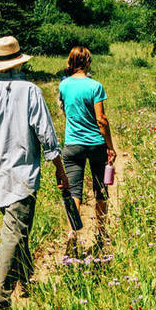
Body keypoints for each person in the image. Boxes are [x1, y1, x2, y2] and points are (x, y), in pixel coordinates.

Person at [0, 34, 70, 310]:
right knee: (14, 233)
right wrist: (60, 170)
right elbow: (46, 135)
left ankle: (26, 280)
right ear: (20, 62)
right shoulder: (31, 92)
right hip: (23, 175)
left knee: (17, 230)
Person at [59, 45, 116, 252]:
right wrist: (110, 146)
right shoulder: (95, 86)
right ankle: (101, 233)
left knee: (74, 191)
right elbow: (101, 119)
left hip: (72, 143)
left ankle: (72, 233)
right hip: (95, 144)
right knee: (101, 189)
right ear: (88, 61)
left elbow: (65, 111)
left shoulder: (64, 86)